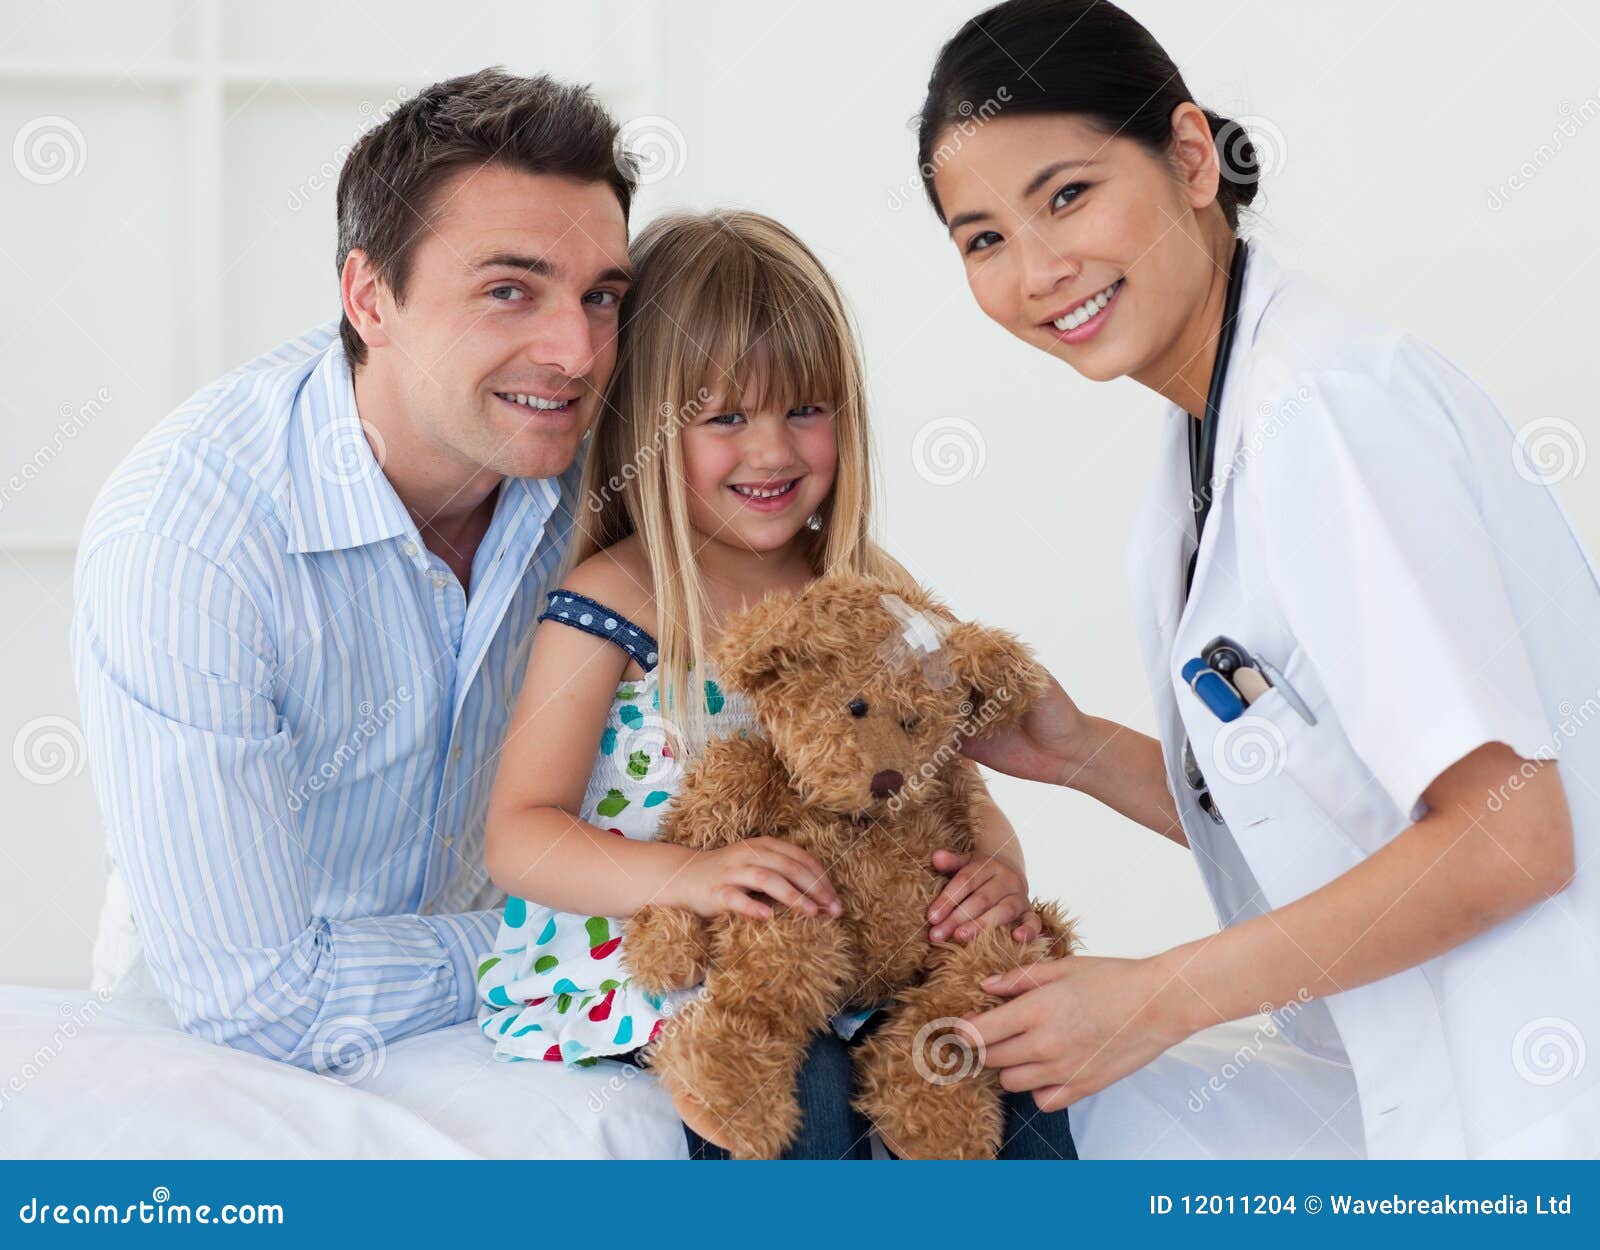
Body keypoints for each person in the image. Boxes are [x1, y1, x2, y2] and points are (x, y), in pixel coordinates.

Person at [919, 0, 1599, 1157]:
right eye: (982, 238)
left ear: (1189, 156)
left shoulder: (1322, 412)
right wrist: (1078, 751)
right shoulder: (1206, 444)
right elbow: (1342, 818)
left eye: (1067, 195)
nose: (1037, 270)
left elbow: (1507, 837)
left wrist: (1156, 995)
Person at [476, 210, 1076, 1160]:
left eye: (806, 409)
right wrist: (694, 877)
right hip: (680, 963)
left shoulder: (875, 596)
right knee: (802, 1083)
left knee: (1002, 1049)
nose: (773, 453)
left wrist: (996, 874)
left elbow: (957, 793)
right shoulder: (613, 600)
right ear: (646, 431)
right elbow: (520, 835)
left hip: (856, 959)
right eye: (723, 418)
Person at [70, 69, 635, 1071]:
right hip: (225, 1070)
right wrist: (613, 927)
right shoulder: (193, 533)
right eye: (510, 291)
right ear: (371, 297)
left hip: (529, 1041)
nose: (575, 349)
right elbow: (255, 997)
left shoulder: (613, 467)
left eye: (600, 297)